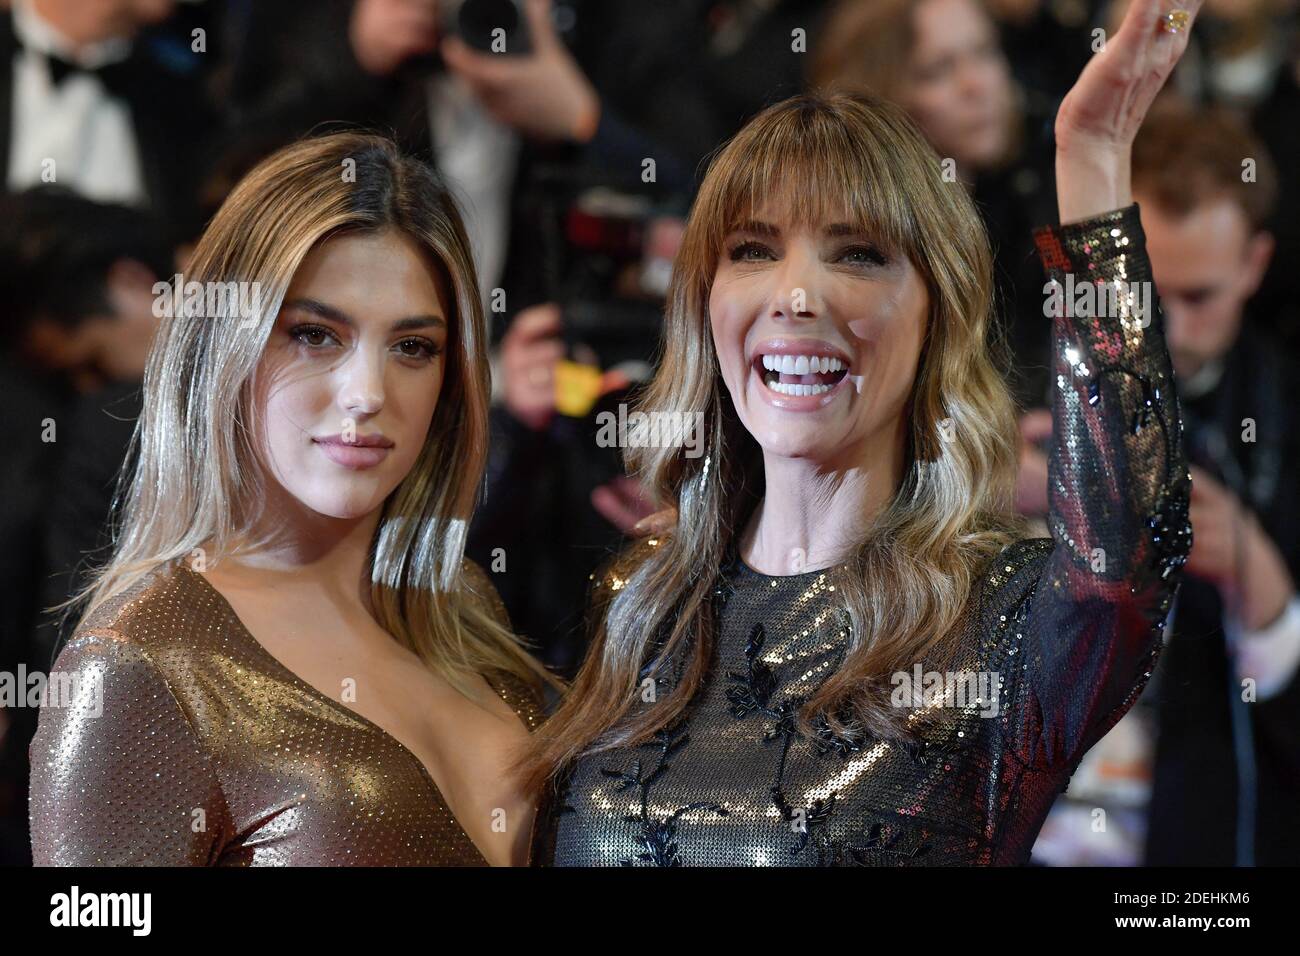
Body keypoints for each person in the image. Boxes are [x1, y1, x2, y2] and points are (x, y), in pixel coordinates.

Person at [525, 0, 1200, 866]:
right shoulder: (641, 597)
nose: (797, 296)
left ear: (937, 318)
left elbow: (1130, 556)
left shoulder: (997, 616)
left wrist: (1095, 164)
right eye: (754, 250)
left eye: (859, 254)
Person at [28, 132, 556, 866]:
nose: (368, 393)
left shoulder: (459, 604)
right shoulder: (138, 666)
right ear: (222, 349)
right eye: (314, 335)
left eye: (413, 347)